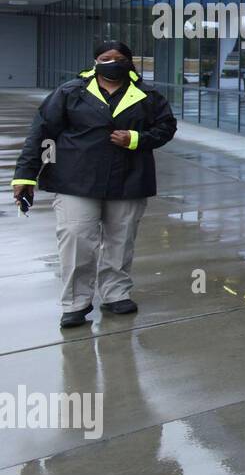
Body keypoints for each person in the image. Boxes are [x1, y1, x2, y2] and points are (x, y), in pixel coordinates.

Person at [10, 40, 176, 328]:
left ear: (129, 61)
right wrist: (25, 176)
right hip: (76, 180)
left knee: (120, 241)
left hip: (129, 179)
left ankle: (115, 294)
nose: (113, 61)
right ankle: (75, 303)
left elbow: (166, 127)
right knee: (76, 239)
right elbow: (41, 132)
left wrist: (136, 139)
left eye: (119, 57)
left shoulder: (148, 95)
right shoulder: (70, 91)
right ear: (96, 61)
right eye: (106, 57)